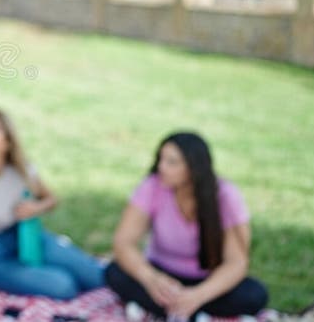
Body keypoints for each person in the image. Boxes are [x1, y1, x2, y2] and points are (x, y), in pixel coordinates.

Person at [105, 132, 268, 320]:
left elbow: (237, 262)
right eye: (161, 159)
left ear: (194, 168)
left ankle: (172, 309)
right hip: (161, 275)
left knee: (254, 295)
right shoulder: (152, 186)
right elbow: (123, 243)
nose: (161, 167)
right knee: (115, 272)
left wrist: (198, 296)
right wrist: (150, 278)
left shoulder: (226, 196)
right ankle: (190, 313)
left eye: (172, 162)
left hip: (207, 281)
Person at [0, 107, 104, 299]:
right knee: (64, 286)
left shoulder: (20, 169)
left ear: (8, 141)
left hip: (24, 237)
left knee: (95, 276)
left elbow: (51, 199)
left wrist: (35, 208)